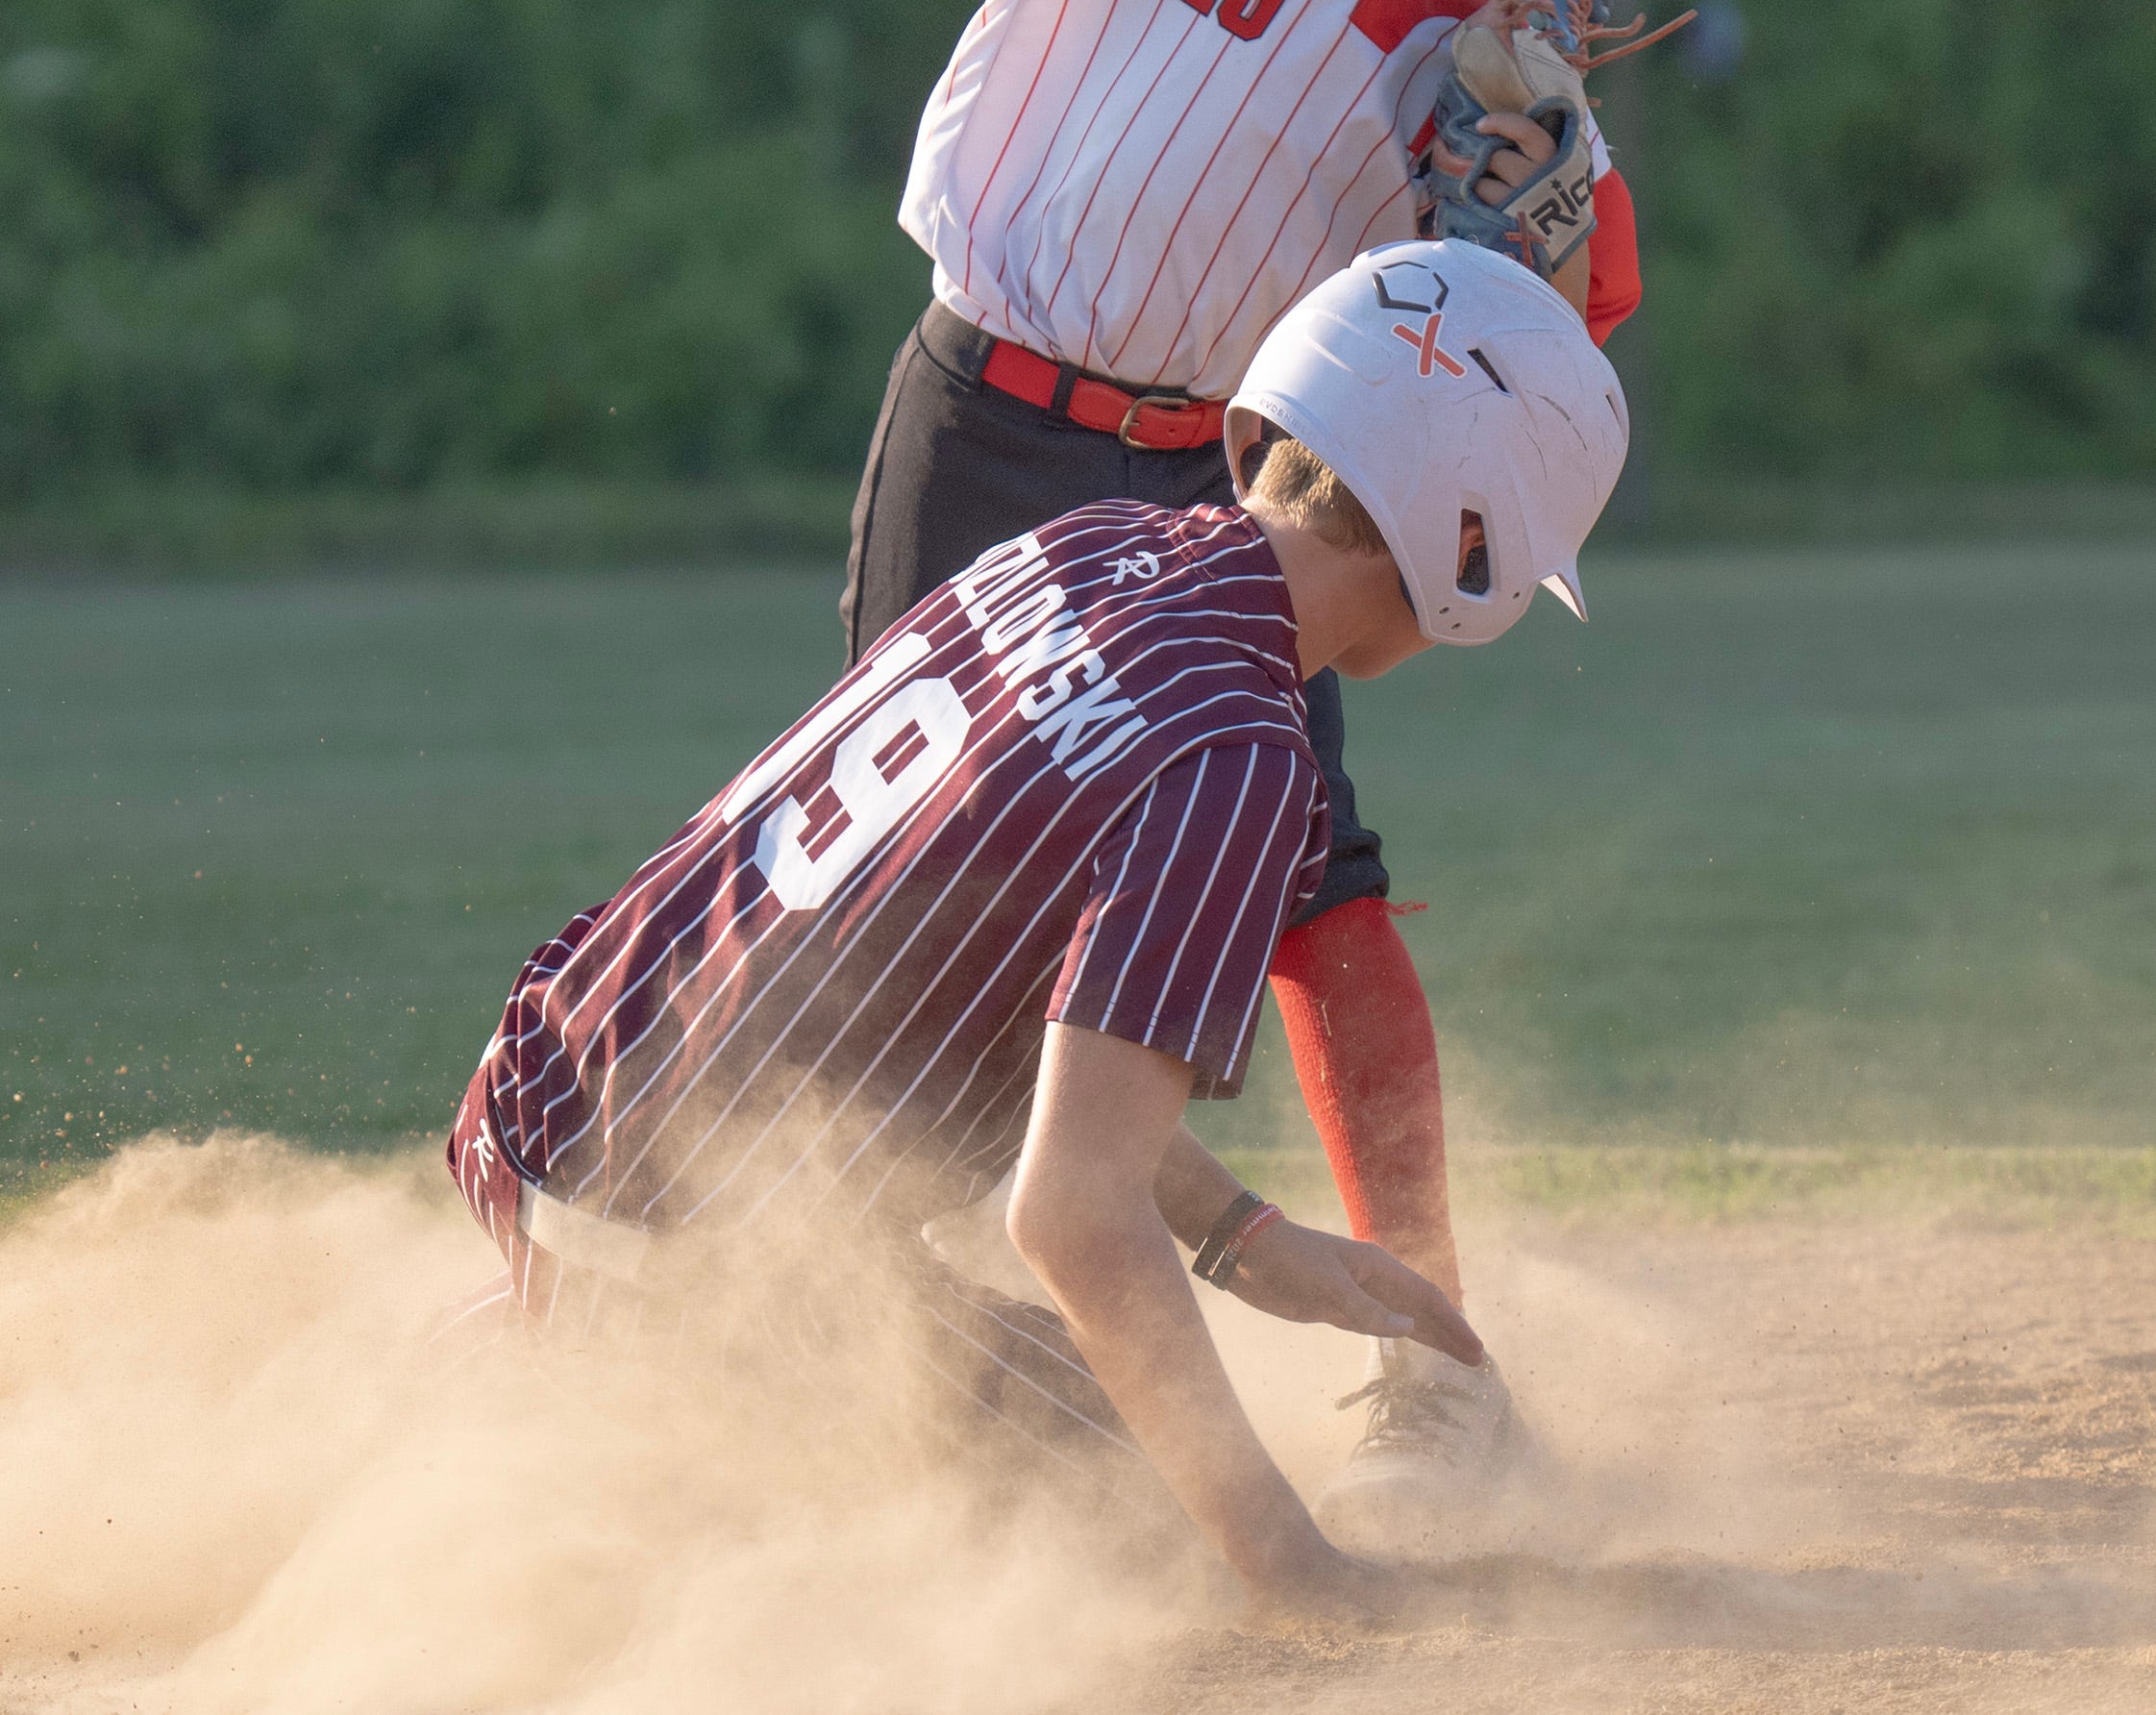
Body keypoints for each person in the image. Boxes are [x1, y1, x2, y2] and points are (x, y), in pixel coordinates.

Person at [535, 0, 1667, 1535]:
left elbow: (1571, 354)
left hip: (1256, 488)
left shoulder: (1504, 78)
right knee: (900, 878)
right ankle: (827, 1302)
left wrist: (1547, 180)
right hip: (984, 424)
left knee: (1319, 888)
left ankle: (1429, 1355)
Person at [449, 237, 1630, 1618]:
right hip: (699, 1256)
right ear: (1469, 549)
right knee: (1139, 1552)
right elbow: (1070, 1213)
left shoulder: (1095, 548)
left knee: (1107, 1427)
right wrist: (1297, 1568)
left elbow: (1042, 1037)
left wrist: (1246, 1235)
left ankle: (539, 1364)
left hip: (547, 1095)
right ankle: (599, 1433)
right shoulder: (1239, 749)